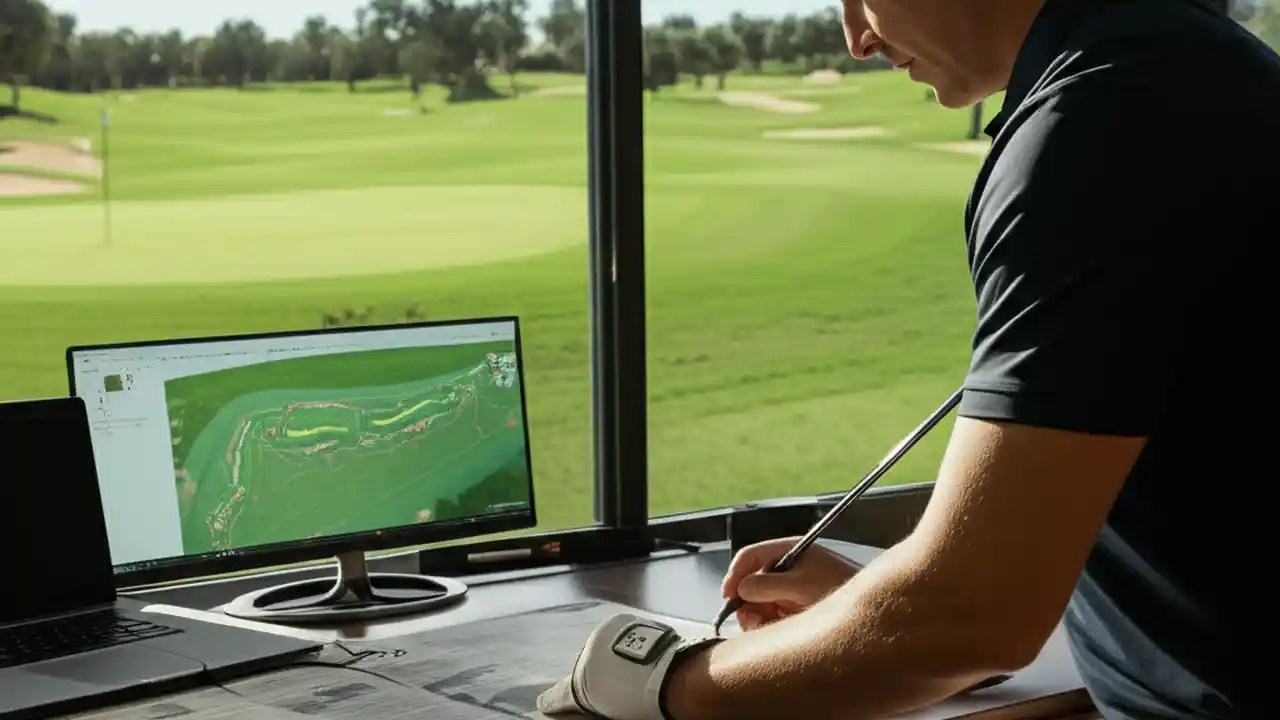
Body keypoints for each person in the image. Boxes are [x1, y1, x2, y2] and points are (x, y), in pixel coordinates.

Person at [539, 0, 1272, 717]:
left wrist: (663, 687)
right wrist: (872, 616)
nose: (856, 37)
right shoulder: (1186, 59)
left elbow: (972, 617)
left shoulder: (1102, 119)